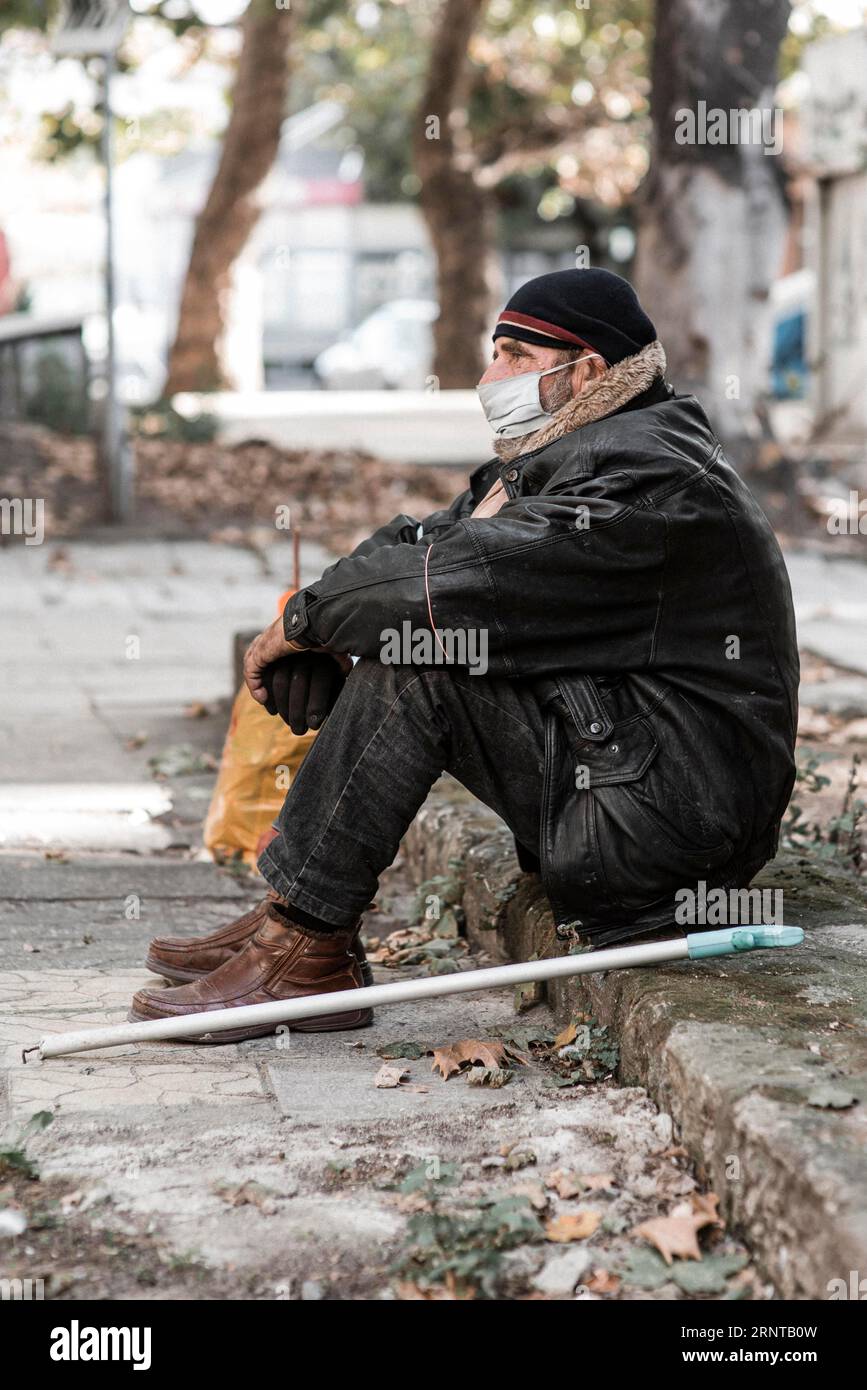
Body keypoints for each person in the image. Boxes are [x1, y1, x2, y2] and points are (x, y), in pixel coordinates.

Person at [130, 269, 798, 1041]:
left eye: (514, 354)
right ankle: (293, 921)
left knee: (425, 663)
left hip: (676, 828)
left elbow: (444, 582)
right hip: (628, 772)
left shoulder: (648, 482)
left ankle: (308, 940)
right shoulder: (568, 451)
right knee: (417, 639)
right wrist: (314, 629)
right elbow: (422, 546)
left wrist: (308, 622)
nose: (488, 378)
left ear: (585, 371)